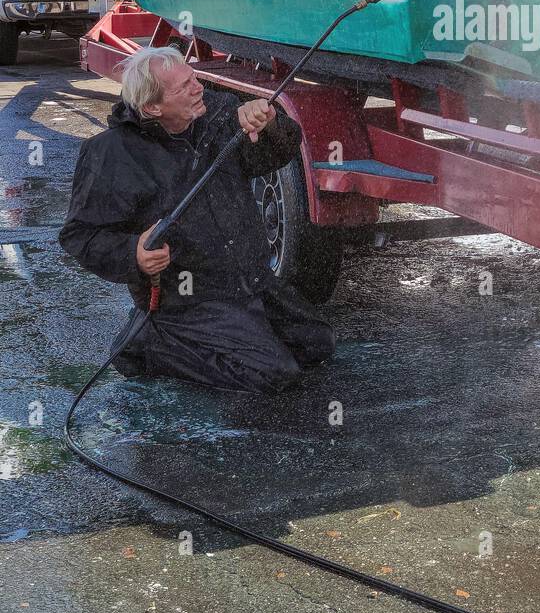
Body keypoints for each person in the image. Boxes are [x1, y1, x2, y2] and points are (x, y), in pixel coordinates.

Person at [60, 46, 335, 393]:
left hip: (249, 280)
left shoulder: (215, 113)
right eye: (183, 87)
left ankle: (224, 334)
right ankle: (151, 342)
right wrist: (134, 253)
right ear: (152, 108)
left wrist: (270, 123)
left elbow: (277, 153)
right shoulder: (110, 153)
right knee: (274, 374)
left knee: (317, 344)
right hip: (189, 297)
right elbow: (79, 235)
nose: (198, 88)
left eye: (193, 78)